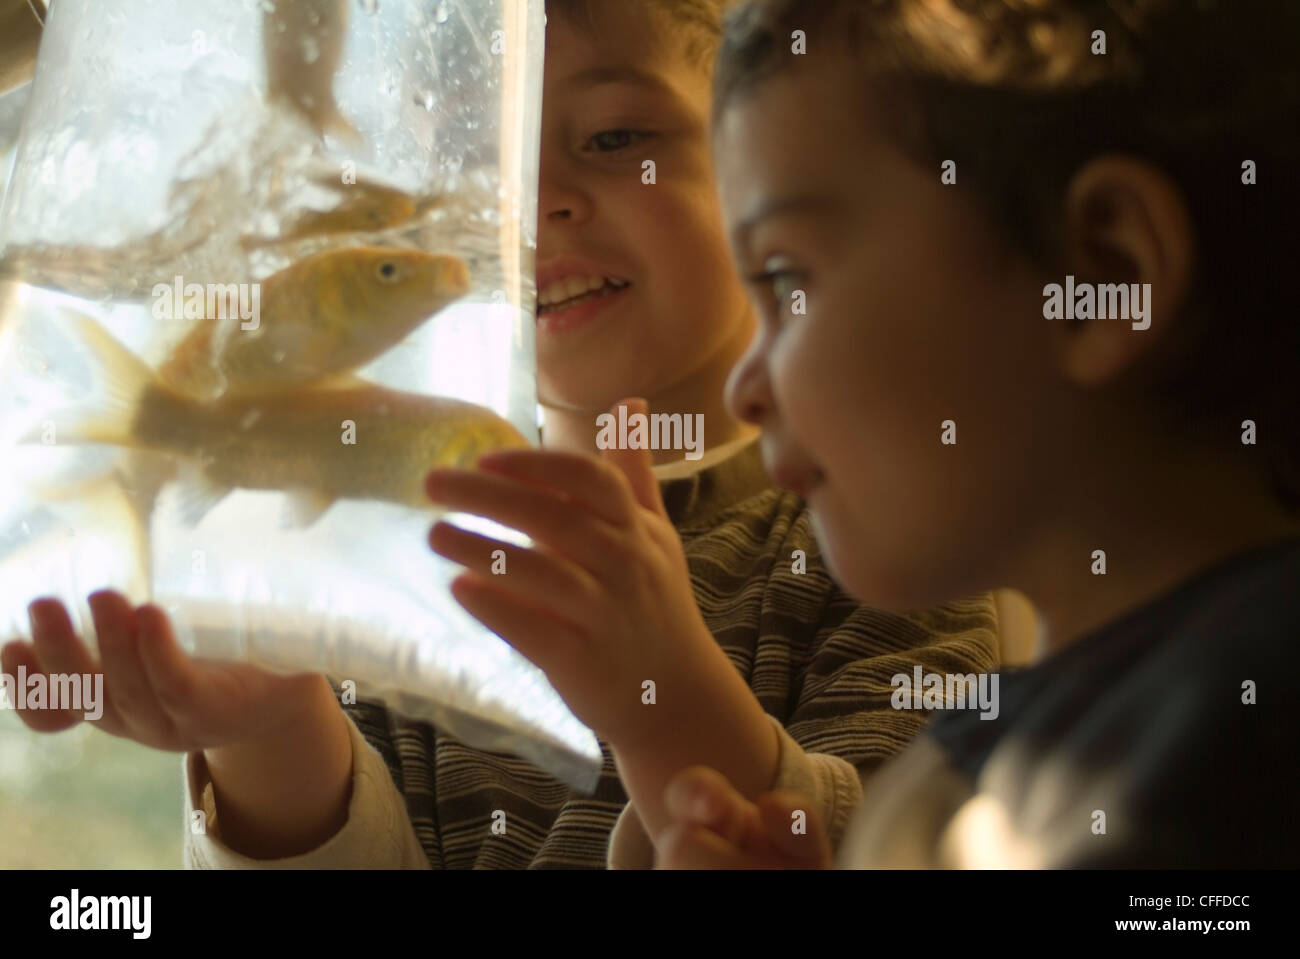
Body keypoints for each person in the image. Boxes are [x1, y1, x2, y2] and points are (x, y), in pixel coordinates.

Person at [2, 0, 1001, 870]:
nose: (535, 205)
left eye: (613, 136)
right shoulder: (411, 544)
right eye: (489, 162)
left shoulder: (893, 532)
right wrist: (271, 729)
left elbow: (932, 843)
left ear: (766, 153)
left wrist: (663, 700)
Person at [636, 0, 1300, 868]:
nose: (744, 386)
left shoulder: (1234, 738)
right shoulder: (1015, 740)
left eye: (789, 277)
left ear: (1104, 274)